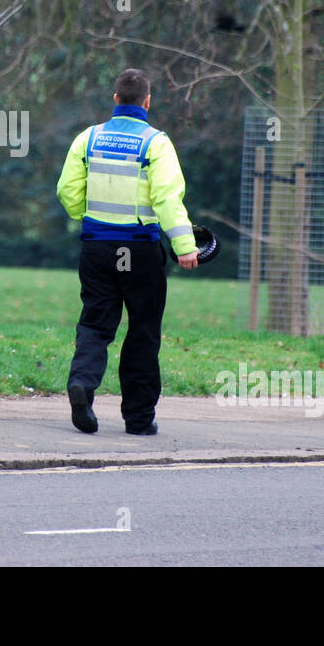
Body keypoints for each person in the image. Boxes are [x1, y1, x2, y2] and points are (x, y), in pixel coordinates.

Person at [55, 67, 198, 436]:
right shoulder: (157, 143)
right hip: (140, 250)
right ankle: (138, 418)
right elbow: (166, 198)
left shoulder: (88, 138)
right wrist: (185, 246)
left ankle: (83, 385)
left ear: (115, 99)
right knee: (143, 331)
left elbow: (67, 191)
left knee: (95, 323)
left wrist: (87, 219)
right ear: (148, 102)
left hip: (97, 247)